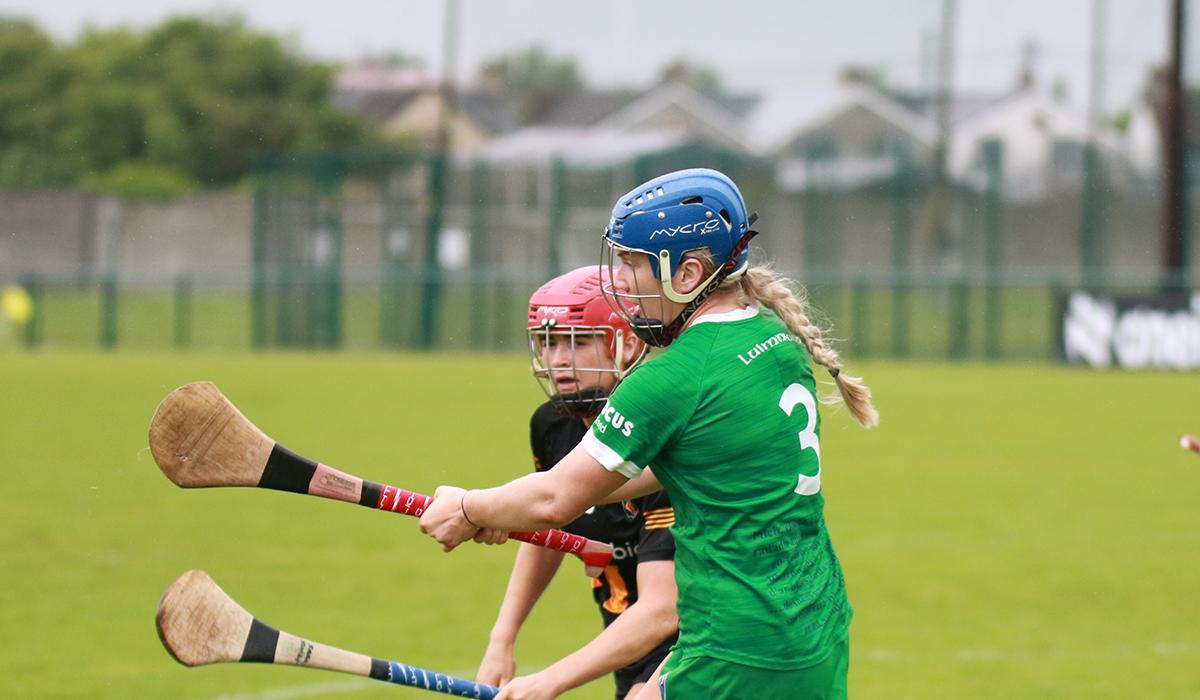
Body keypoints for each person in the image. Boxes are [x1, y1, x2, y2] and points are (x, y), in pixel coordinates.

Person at [421, 168, 879, 700]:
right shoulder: (773, 342)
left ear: (687, 273)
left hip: (734, 651)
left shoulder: (671, 378)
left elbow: (554, 497)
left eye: (631, 263)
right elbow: (685, 470)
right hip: (811, 624)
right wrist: (498, 507)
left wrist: (470, 508)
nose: (620, 282)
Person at [477, 265, 678, 700]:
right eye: (548, 343)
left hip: (695, 646)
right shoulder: (552, 425)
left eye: (578, 342)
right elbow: (547, 523)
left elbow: (664, 611)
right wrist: (503, 636)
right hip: (625, 645)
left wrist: (552, 680)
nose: (557, 361)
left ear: (624, 344)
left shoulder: (662, 433)